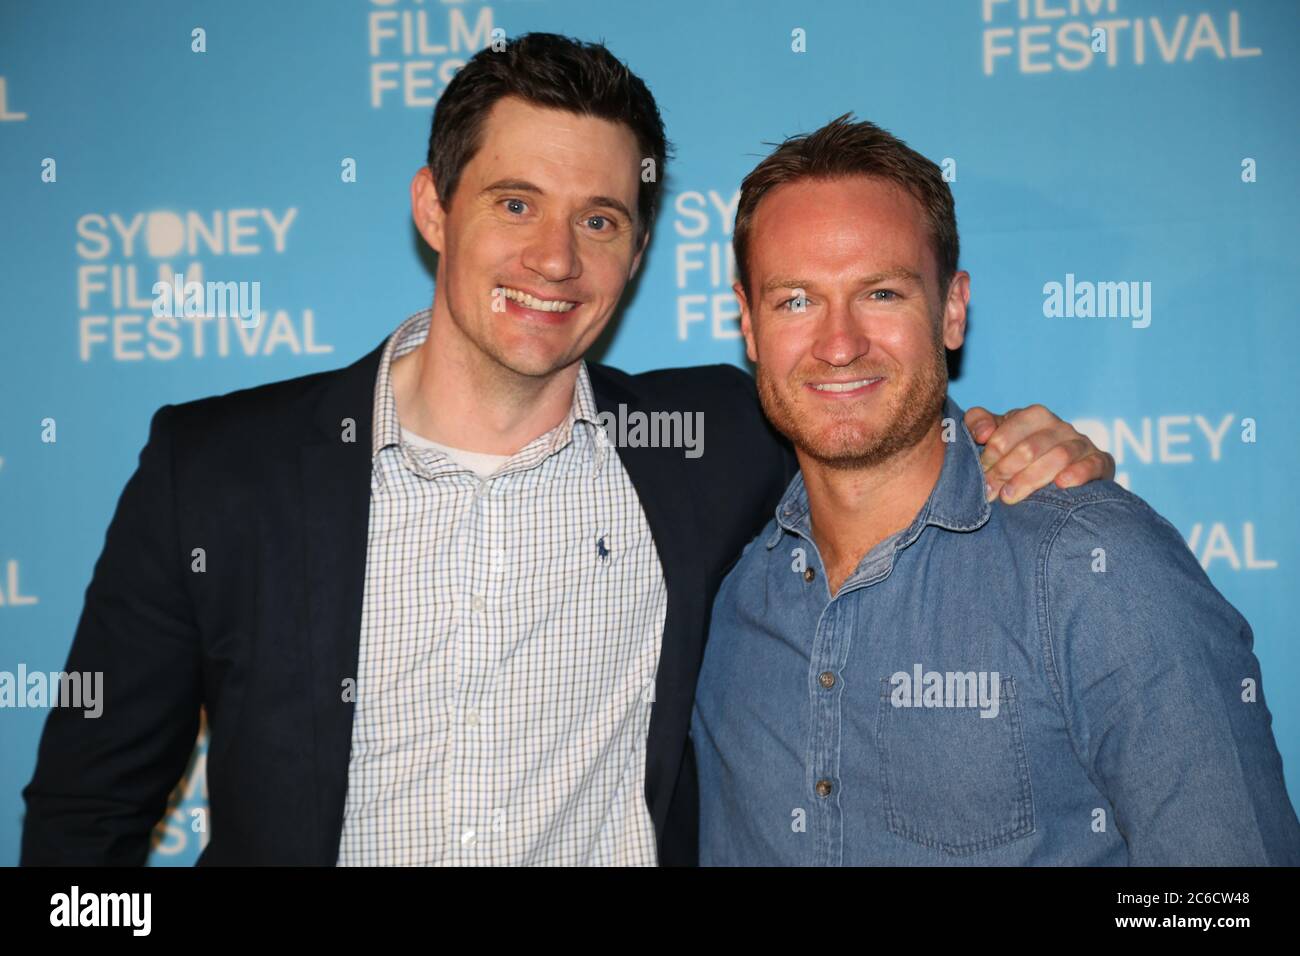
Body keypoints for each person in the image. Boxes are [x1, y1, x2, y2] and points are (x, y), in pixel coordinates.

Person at [21, 35, 1113, 867]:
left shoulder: (714, 443)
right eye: (514, 202)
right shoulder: (217, 469)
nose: (555, 258)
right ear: (433, 209)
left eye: (599, 219)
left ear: (637, 250)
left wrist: (1003, 434)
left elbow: (862, 403)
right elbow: (86, 819)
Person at [692, 114, 1300, 866]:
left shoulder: (1094, 567)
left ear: (951, 310)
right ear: (748, 325)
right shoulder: (734, 599)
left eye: (881, 293)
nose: (839, 343)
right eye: (795, 301)